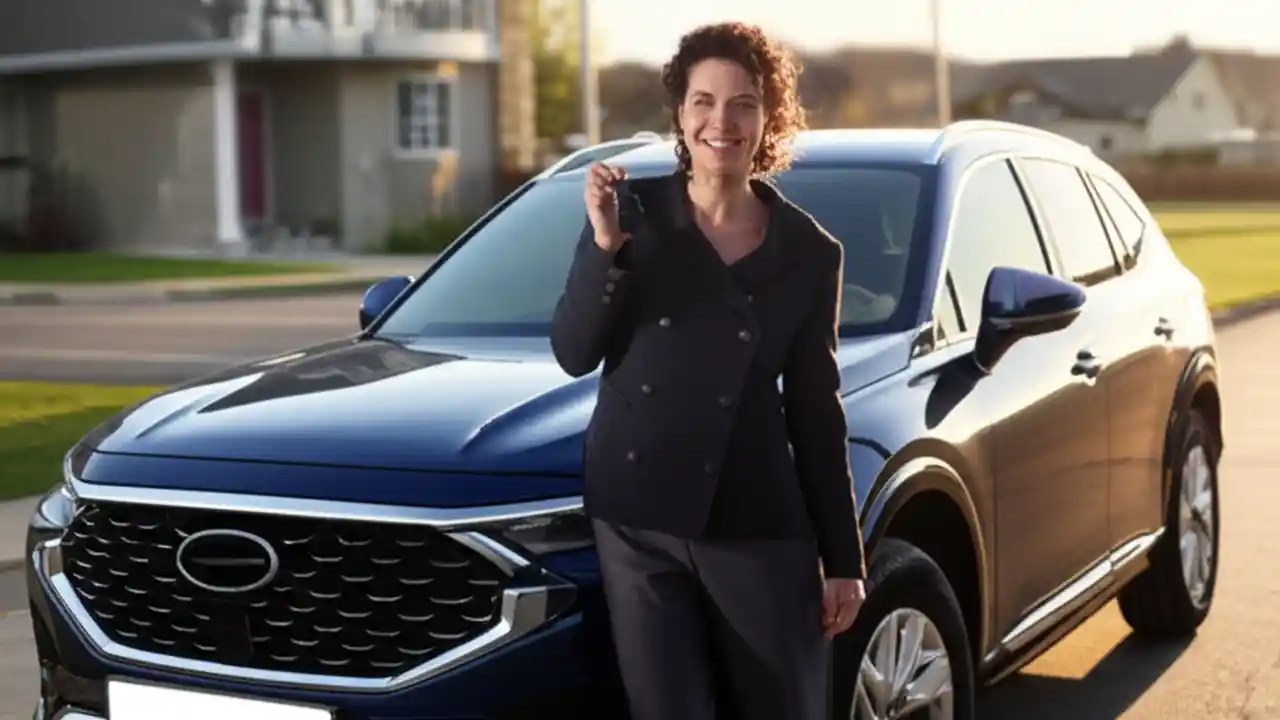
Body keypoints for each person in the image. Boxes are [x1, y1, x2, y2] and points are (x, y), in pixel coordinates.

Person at [550, 21, 867, 720]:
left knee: (784, 706)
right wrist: (605, 247)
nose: (720, 121)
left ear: (768, 119)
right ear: (679, 112)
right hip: (638, 519)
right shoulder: (630, 215)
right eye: (703, 101)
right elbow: (574, 351)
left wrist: (844, 558)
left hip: (755, 520)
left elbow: (817, 412)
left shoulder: (811, 253)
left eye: (743, 103)